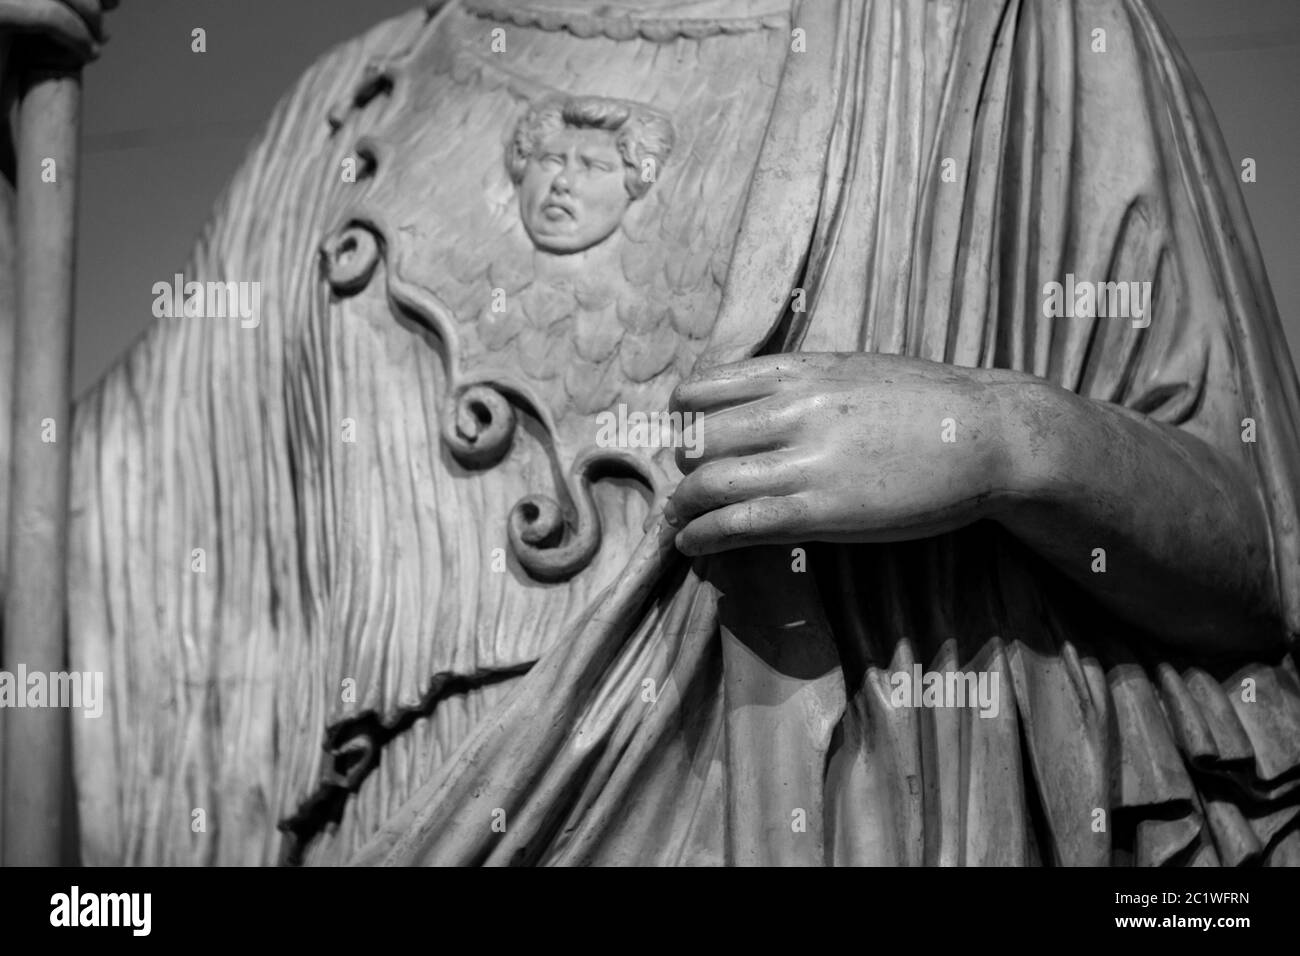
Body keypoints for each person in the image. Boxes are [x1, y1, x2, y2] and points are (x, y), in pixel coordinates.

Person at [3, 0, 1300, 866]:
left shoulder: (1008, 38)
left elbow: (1256, 576)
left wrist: (1006, 440)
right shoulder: (360, 103)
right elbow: (71, 592)